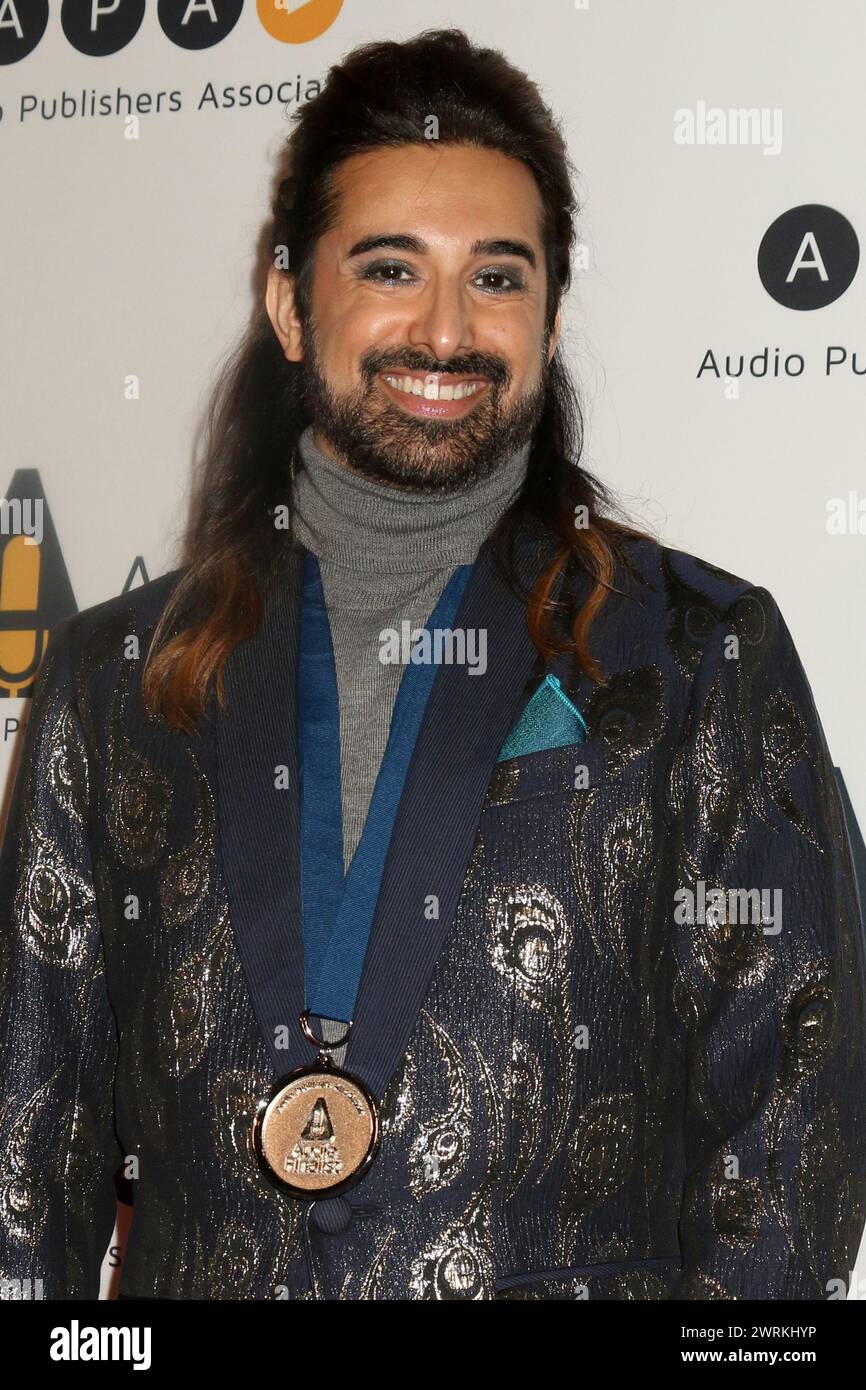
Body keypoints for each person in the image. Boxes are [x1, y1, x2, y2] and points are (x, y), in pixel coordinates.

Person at [1, 27, 865, 1303]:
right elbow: (31, 1146)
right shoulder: (109, 679)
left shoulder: (695, 655)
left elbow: (793, 1139)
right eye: (392, 267)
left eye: (499, 278)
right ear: (293, 304)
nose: (447, 329)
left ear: (551, 317)